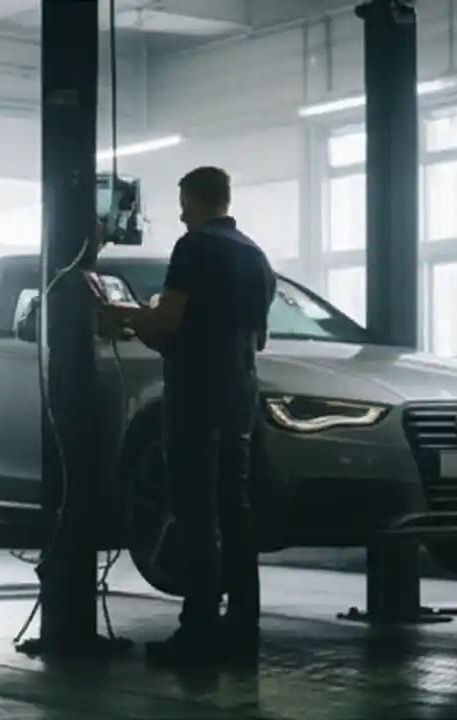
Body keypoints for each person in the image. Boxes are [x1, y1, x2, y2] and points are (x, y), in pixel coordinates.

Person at [101, 166, 276, 664]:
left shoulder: (194, 247)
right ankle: (242, 625)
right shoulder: (256, 256)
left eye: (184, 204)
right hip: (240, 391)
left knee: (195, 509)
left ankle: (197, 629)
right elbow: (259, 337)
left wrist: (125, 315)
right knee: (235, 509)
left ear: (198, 202)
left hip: (195, 391)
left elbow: (168, 323)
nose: (181, 214)